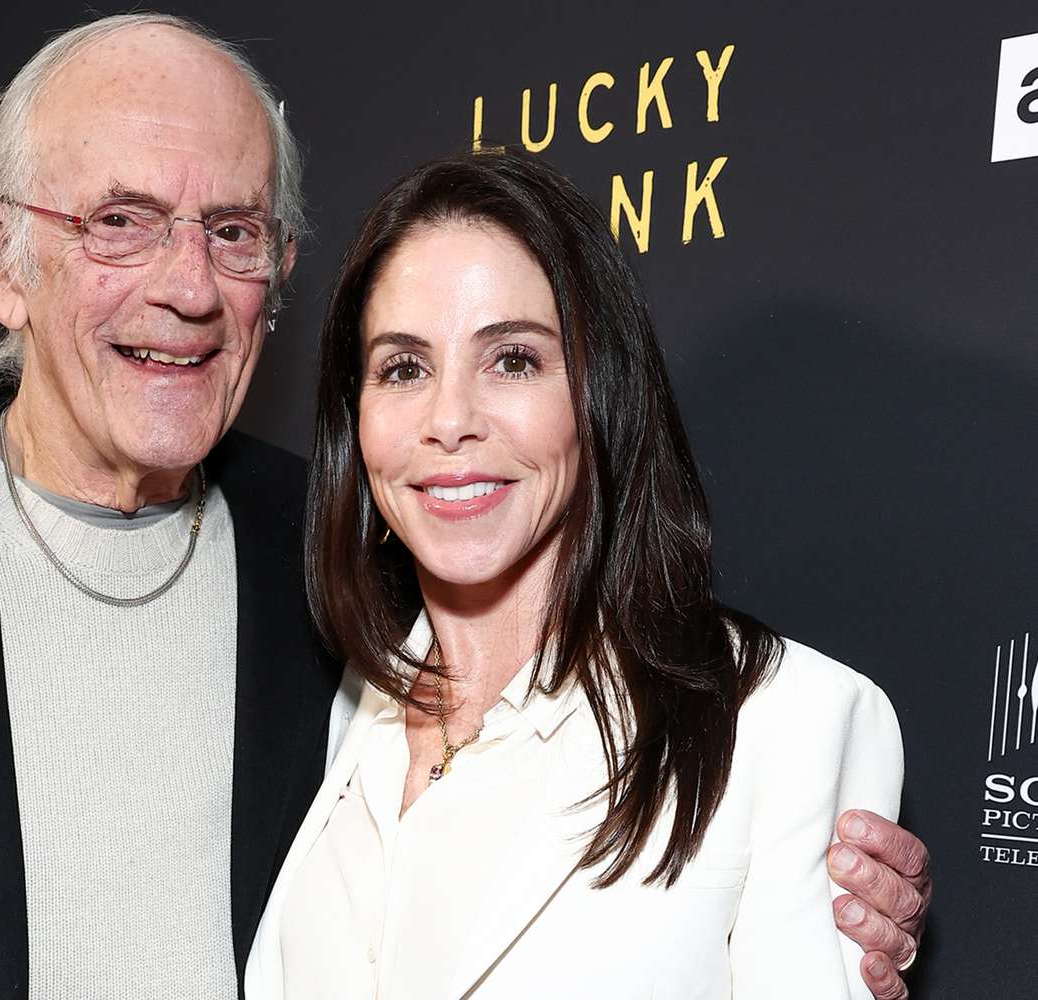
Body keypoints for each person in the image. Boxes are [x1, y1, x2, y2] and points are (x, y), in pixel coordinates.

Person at [0, 14, 928, 1000]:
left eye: (233, 231)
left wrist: (826, 906)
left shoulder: (346, 556)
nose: (188, 285)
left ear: (279, 275)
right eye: (122, 220)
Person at [245, 150, 912, 999]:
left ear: (601, 392)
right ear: (357, 417)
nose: (449, 420)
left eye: (512, 360)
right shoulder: (344, 709)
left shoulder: (787, 723)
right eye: (404, 368)